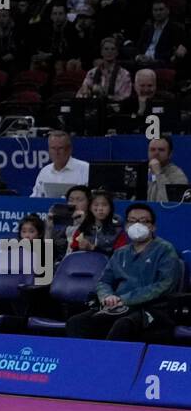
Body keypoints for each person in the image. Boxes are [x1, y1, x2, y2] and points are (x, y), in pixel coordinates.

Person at [65, 206, 182, 341]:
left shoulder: (165, 250)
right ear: (126, 226)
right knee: (76, 322)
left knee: (123, 325)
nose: (137, 225)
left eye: (143, 221)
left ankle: (111, 361)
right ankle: (82, 361)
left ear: (153, 227)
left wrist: (124, 299)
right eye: (132, 221)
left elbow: (165, 285)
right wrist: (106, 296)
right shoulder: (121, 252)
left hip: (153, 308)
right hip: (118, 306)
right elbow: (104, 281)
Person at [31, 130, 90, 198]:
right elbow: (35, 198)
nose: (56, 152)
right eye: (53, 148)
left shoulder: (85, 169)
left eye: (60, 148)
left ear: (69, 149)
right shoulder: (44, 171)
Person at [66, 187, 124, 255]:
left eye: (104, 205)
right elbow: (73, 254)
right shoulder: (81, 229)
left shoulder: (118, 231)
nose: (100, 209)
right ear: (90, 208)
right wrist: (79, 248)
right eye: (96, 205)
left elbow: (119, 257)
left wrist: (92, 248)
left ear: (110, 208)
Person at [146, 135, 190, 203]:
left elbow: (170, 204)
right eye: (152, 149)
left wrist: (158, 173)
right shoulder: (143, 172)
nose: (156, 153)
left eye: (161, 150)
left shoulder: (178, 175)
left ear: (170, 154)